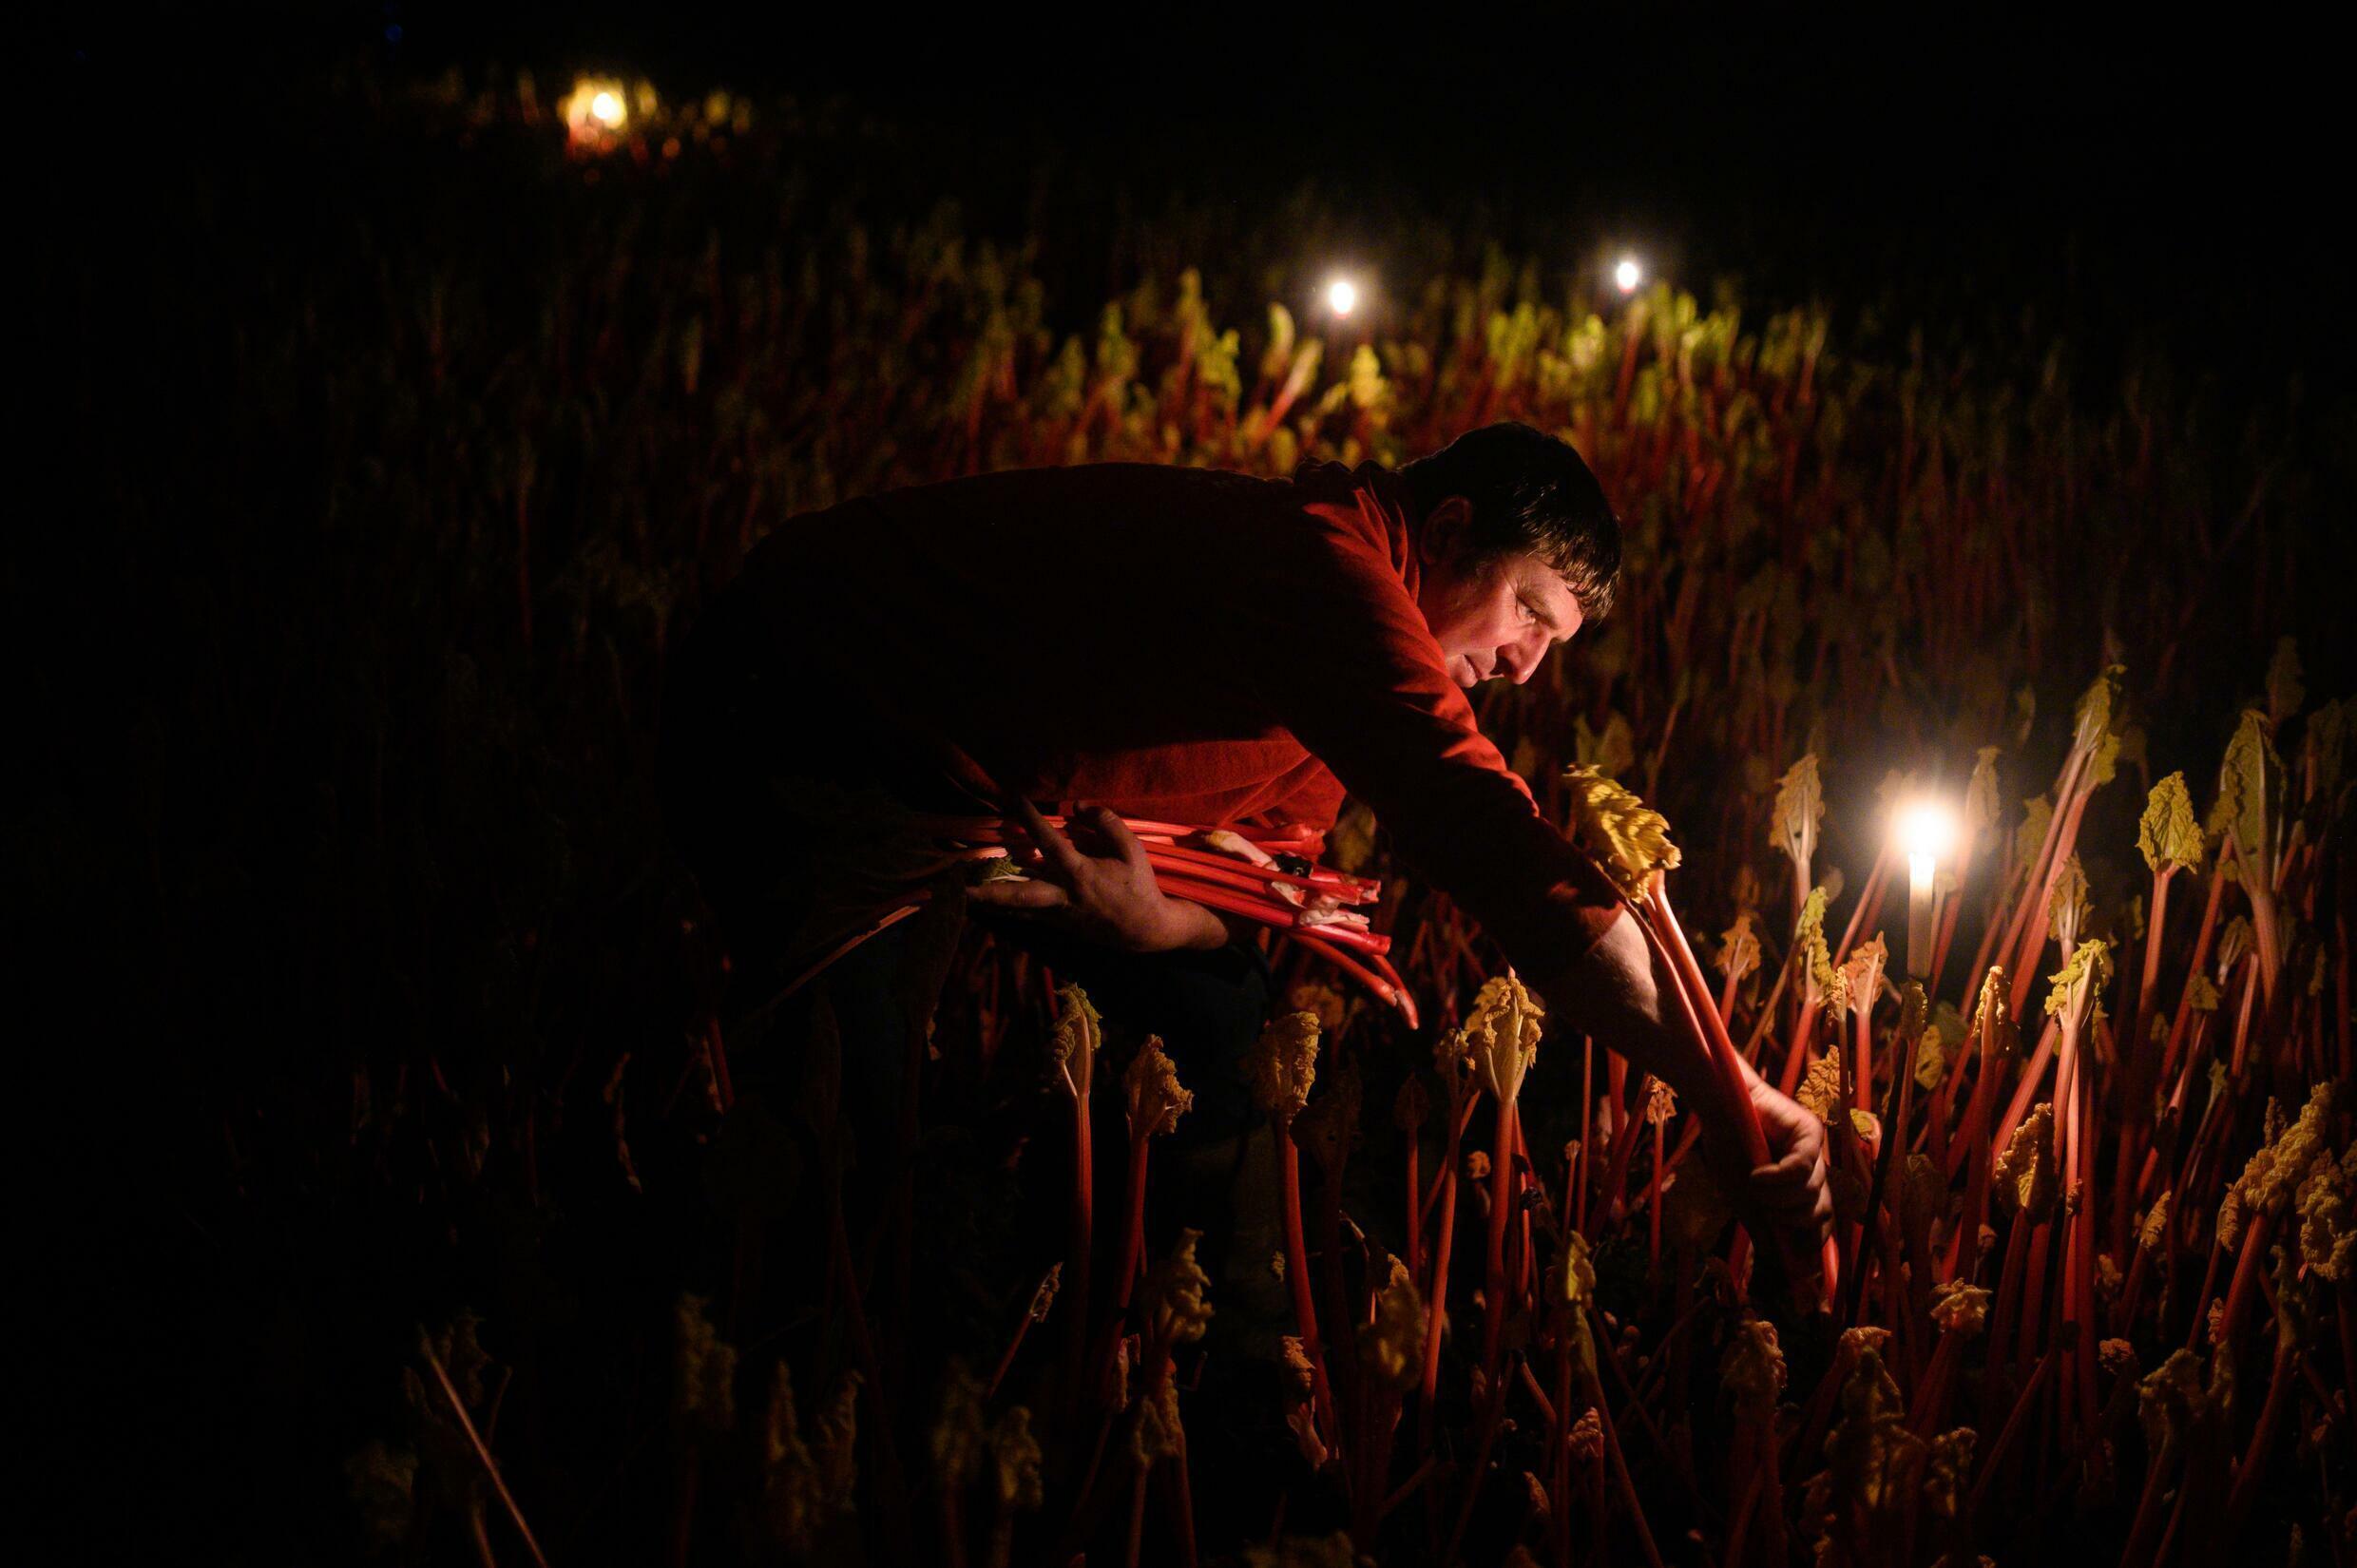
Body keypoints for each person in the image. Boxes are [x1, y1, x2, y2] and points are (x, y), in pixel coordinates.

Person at [657, 421, 1831, 1293]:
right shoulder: (1315, 570)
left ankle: (1168, 1308)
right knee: (837, 1144)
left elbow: (1270, 884)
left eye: (1553, 644)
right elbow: (1486, 835)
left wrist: (1145, 923)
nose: (1526, 666)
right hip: (814, 719)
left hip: (987, 813)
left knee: (1216, 1013)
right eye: (1527, 611)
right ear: (1449, 532)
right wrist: (1727, 1087)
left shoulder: (1339, 668)